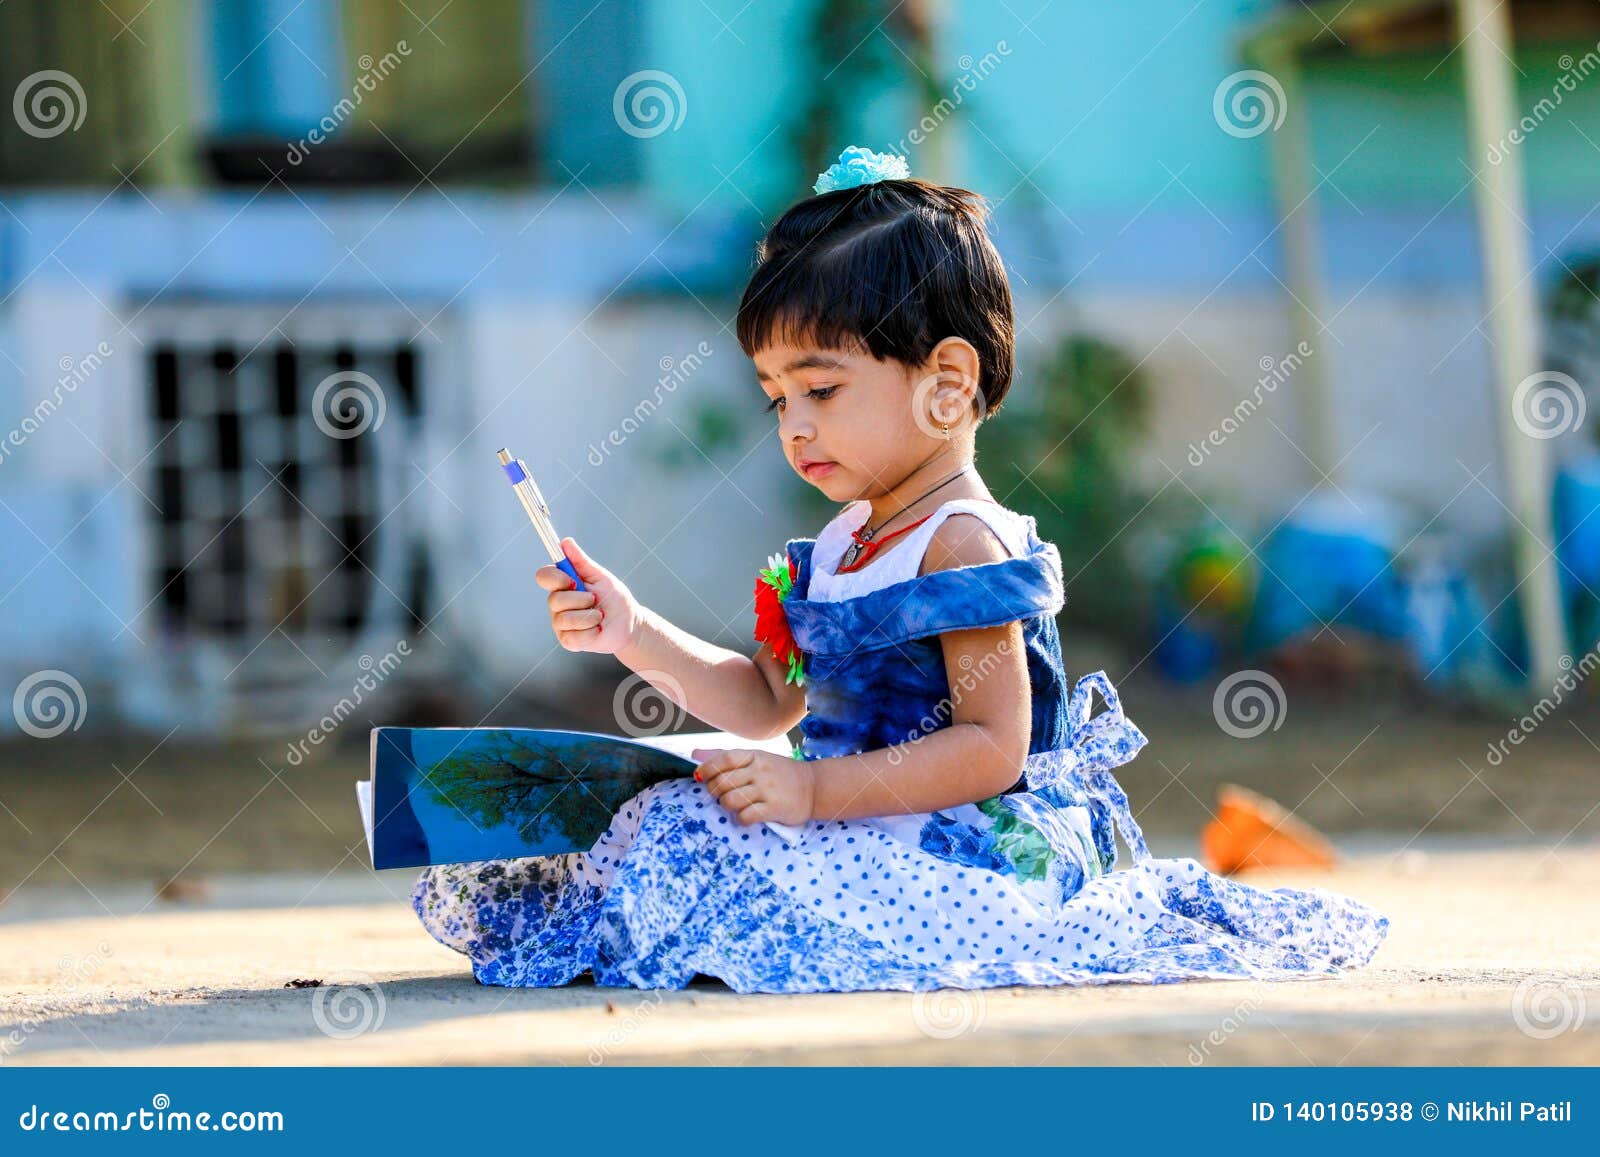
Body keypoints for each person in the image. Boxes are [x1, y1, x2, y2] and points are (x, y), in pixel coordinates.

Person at [412, 145, 1389, 992]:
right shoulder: (835, 548)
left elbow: (989, 749)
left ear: (947, 383)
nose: (794, 424)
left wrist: (808, 795)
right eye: (775, 397)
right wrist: (631, 631)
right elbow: (764, 705)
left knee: (704, 850)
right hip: (859, 813)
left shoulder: (962, 541)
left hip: (972, 841)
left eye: (822, 389)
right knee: (654, 819)